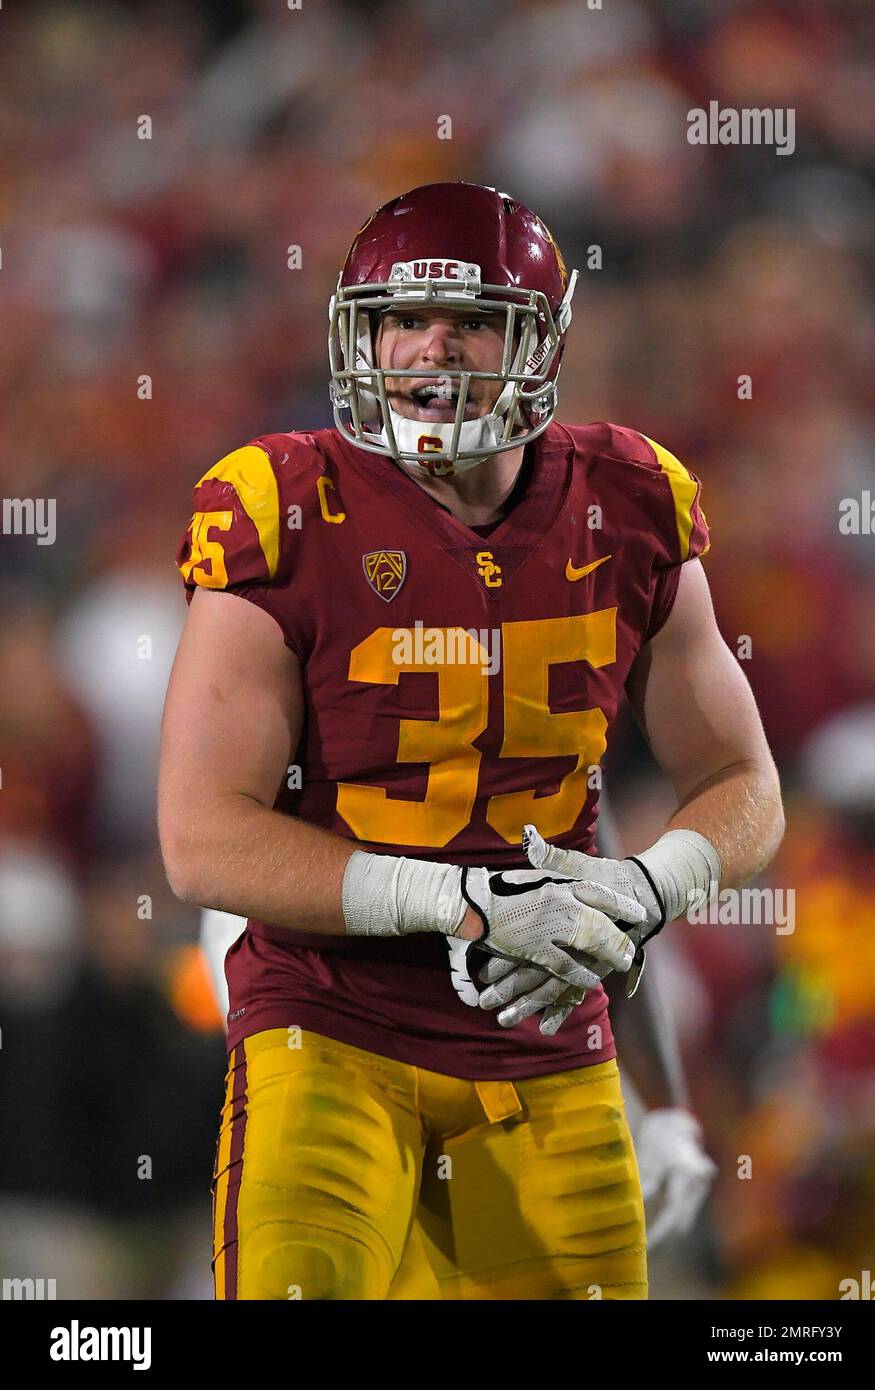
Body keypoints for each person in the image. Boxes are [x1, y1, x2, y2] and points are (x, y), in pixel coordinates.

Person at [158, 181, 784, 1300]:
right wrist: (459, 902)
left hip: (546, 1032)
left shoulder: (629, 502)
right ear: (360, 333)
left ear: (536, 343)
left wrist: (644, 889)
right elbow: (203, 840)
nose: (426, 349)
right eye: (399, 318)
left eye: (472, 322)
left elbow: (743, 784)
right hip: (330, 1021)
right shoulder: (282, 504)